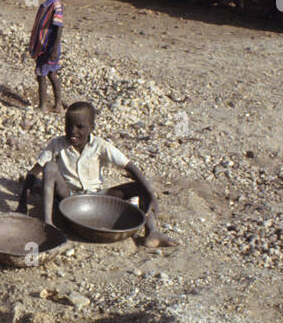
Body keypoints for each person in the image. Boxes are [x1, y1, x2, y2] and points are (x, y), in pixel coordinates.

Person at [16, 100, 178, 247]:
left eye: (80, 127)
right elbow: (35, 171)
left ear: (92, 127)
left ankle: (151, 233)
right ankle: (48, 224)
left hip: (98, 196)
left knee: (141, 188)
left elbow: (130, 167)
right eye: (68, 125)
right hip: (68, 195)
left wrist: (151, 196)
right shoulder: (57, 144)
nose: (72, 131)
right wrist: (22, 202)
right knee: (50, 167)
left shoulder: (100, 145)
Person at [24, 0, 65, 112]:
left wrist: (54, 49)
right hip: (44, 46)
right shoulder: (48, 4)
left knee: (42, 75)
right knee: (51, 74)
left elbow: (58, 28)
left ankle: (43, 105)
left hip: (47, 48)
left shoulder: (56, 6)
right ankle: (58, 104)